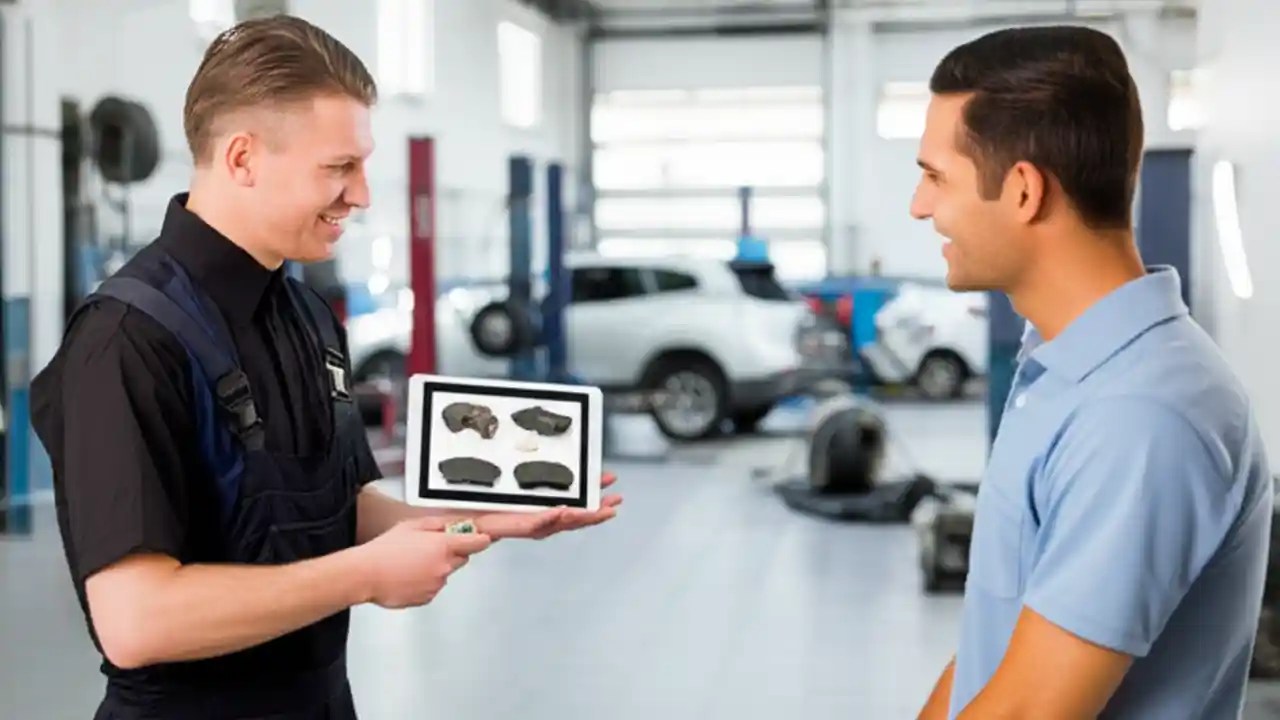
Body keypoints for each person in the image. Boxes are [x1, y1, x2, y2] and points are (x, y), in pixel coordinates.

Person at [30, 15, 620, 720]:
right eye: (339, 168)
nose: (363, 195)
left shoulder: (307, 317)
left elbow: (342, 504)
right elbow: (137, 623)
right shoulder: (126, 342)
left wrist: (483, 517)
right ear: (242, 159)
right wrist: (366, 576)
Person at [909, 25, 1272, 720]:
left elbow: (1025, 711)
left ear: (1022, 192)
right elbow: (997, 659)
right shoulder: (1066, 369)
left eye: (935, 177)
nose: (920, 206)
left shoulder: (1140, 414)